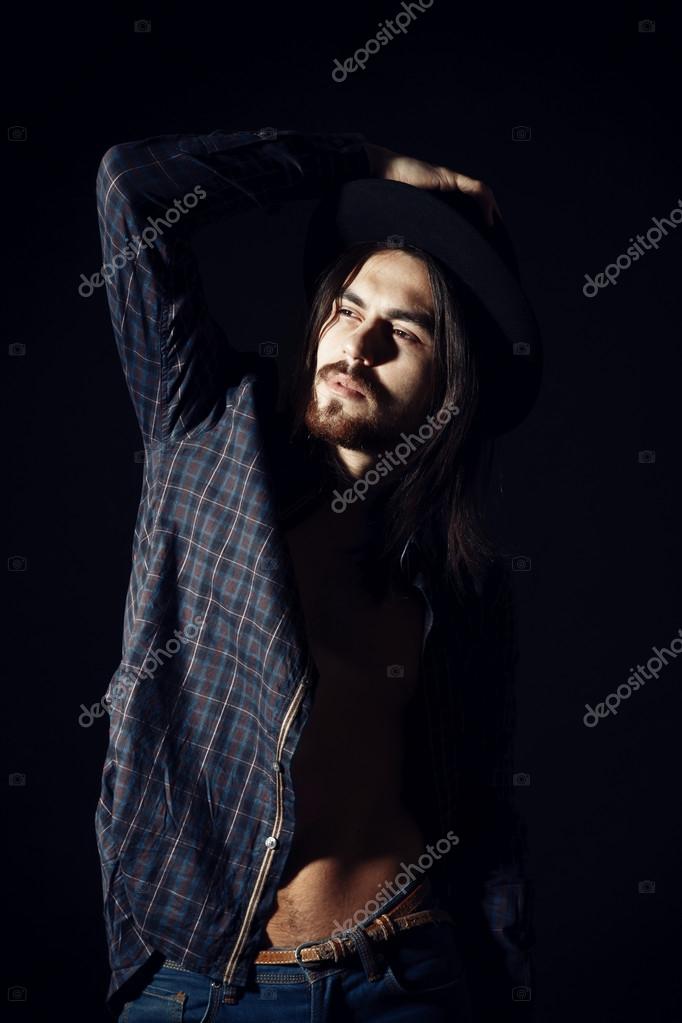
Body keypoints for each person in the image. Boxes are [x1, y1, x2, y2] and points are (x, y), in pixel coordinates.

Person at [95, 126, 540, 1022]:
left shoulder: (456, 580)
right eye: (348, 308)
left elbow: (479, 819)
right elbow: (132, 188)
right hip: (208, 988)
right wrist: (368, 165)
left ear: (444, 388)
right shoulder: (204, 429)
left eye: (402, 332)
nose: (359, 344)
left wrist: (506, 994)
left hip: (411, 976)